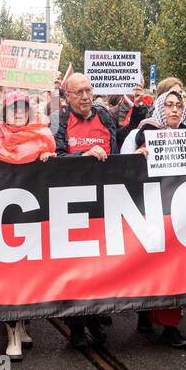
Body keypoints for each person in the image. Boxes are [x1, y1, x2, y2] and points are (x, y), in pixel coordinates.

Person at [0, 91, 56, 359]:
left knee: (29, 274)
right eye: (13, 108)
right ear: (4, 112)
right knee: (9, 275)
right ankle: (12, 332)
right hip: (1, 218)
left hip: (32, 215)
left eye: (23, 108)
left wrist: (51, 161)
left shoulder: (43, 136)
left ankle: (23, 324)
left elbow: (55, 165)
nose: (18, 113)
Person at [53, 72, 120, 347]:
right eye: (78, 92)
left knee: (101, 267)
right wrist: (83, 156)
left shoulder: (104, 117)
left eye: (88, 91)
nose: (85, 96)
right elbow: (55, 158)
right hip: (72, 205)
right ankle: (77, 326)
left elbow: (115, 156)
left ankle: (95, 318)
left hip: (104, 203)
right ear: (67, 96)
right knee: (76, 269)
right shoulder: (60, 122)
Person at [126, 89, 186, 349]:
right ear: (159, 108)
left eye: (179, 106)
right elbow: (120, 167)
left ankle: (170, 326)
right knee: (149, 266)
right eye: (169, 105)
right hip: (149, 213)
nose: (175, 110)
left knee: (174, 268)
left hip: (178, 215)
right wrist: (136, 158)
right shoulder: (140, 134)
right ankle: (145, 312)